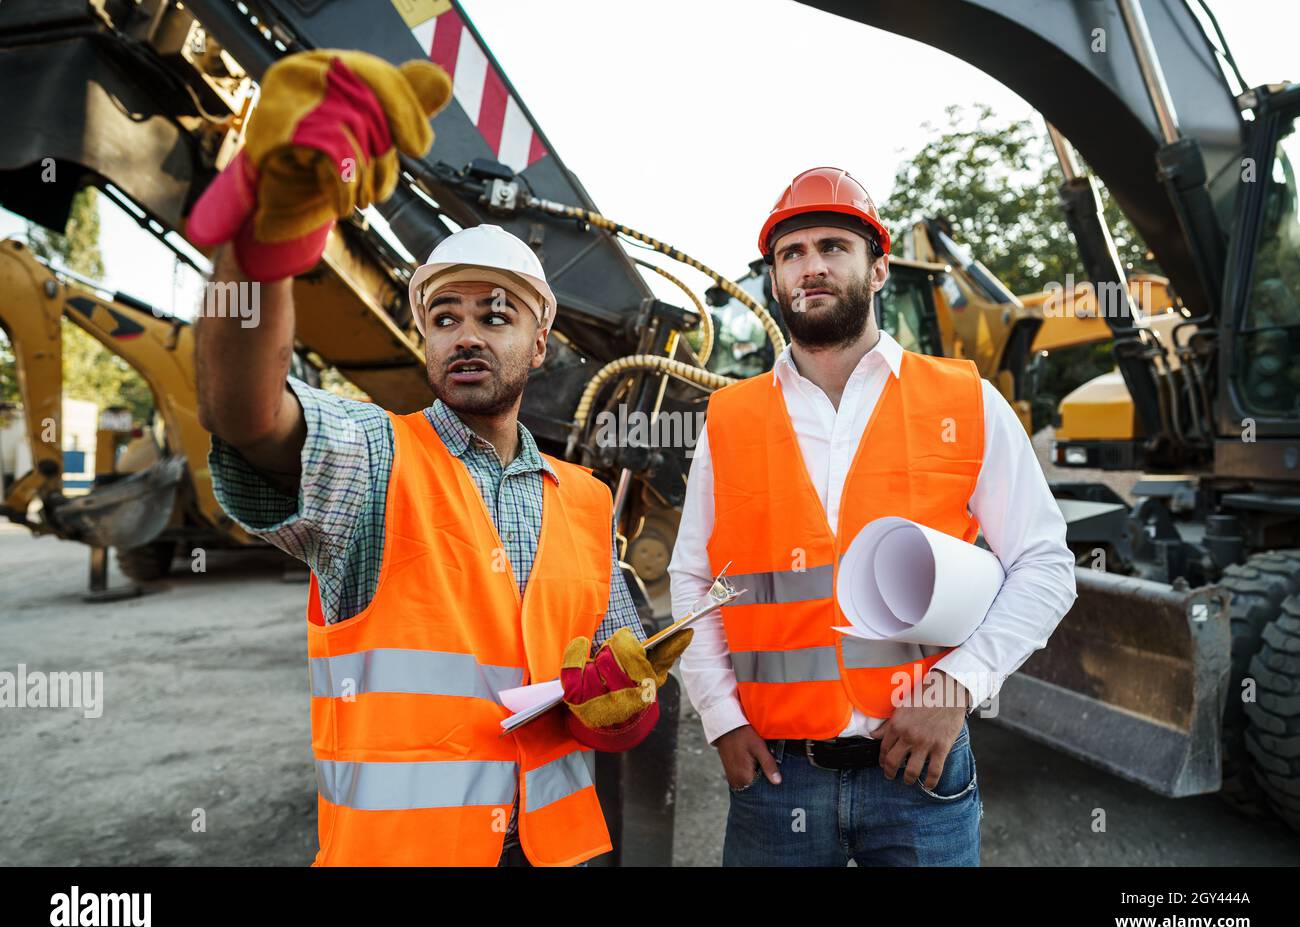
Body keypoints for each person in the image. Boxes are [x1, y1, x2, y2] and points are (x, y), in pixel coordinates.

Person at [192, 49, 684, 867]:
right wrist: (264, 243)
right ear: (424, 338)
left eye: (496, 315)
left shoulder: (587, 502)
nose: (466, 334)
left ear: (540, 344)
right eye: (444, 316)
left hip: (559, 852)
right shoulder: (375, 461)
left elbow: (614, 666)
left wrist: (625, 702)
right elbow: (244, 413)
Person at [667, 166, 1078, 866]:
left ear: (878, 268)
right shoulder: (730, 419)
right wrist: (721, 717)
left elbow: (1045, 563)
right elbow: (693, 578)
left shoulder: (964, 401)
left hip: (920, 770)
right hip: (776, 775)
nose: (811, 266)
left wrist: (958, 685)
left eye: (833, 246)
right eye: (791, 253)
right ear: (774, 280)